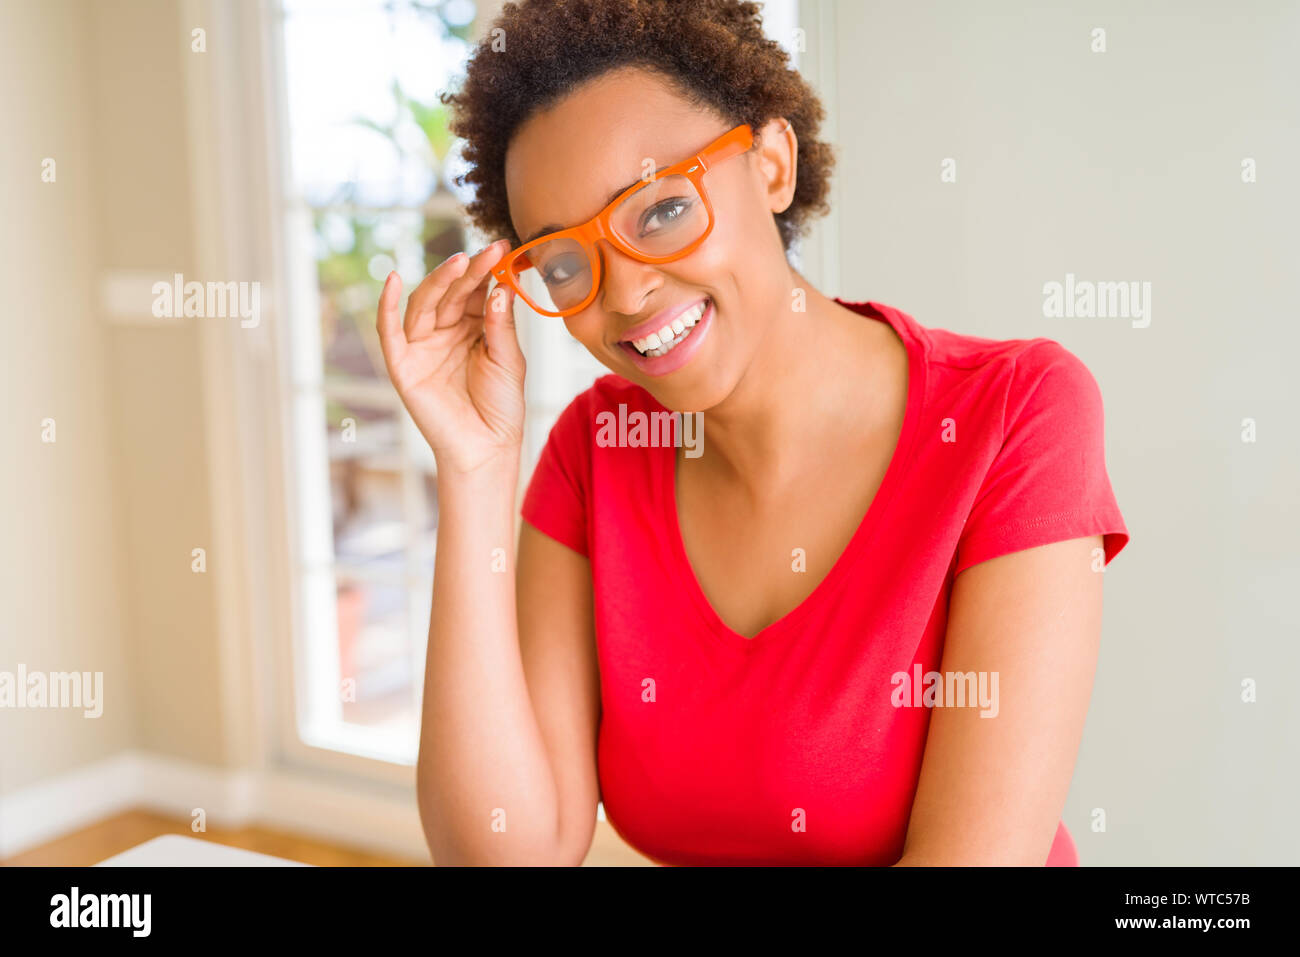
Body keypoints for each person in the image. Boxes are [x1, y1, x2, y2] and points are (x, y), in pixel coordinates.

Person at [375, 0, 1130, 866]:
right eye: (564, 261)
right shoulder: (596, 452)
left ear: (772, 164)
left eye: (658, 211)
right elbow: (508, 855)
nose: (623, 294)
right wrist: (474, 469)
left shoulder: (1016, 413)